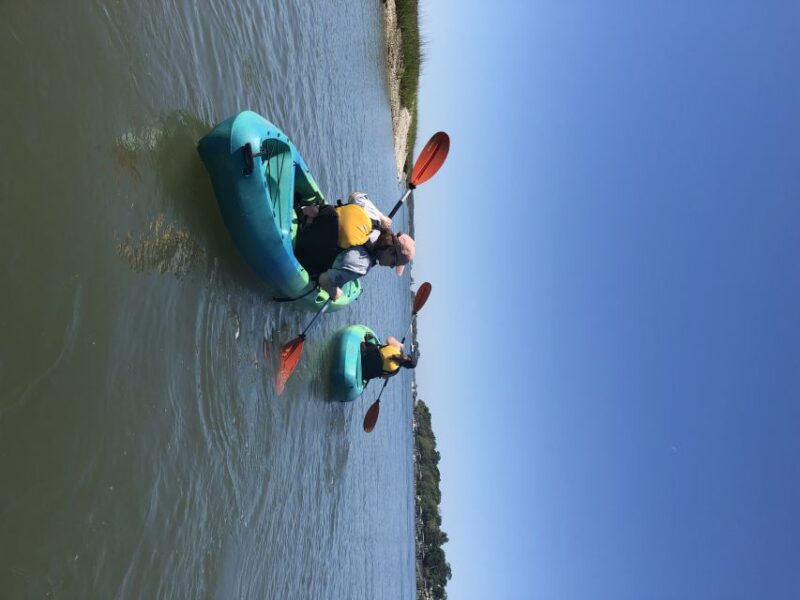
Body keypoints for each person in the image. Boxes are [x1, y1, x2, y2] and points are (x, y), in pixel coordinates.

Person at [293, 192, 415, 300]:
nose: (390, 267)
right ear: (390, 250)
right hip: (300, 246)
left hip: (301, 215)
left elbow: (356, 196)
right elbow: (323, 280)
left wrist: (381, 216)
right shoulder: (362, 265)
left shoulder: (374, 218)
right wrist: (335, 292)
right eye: (394, 263)